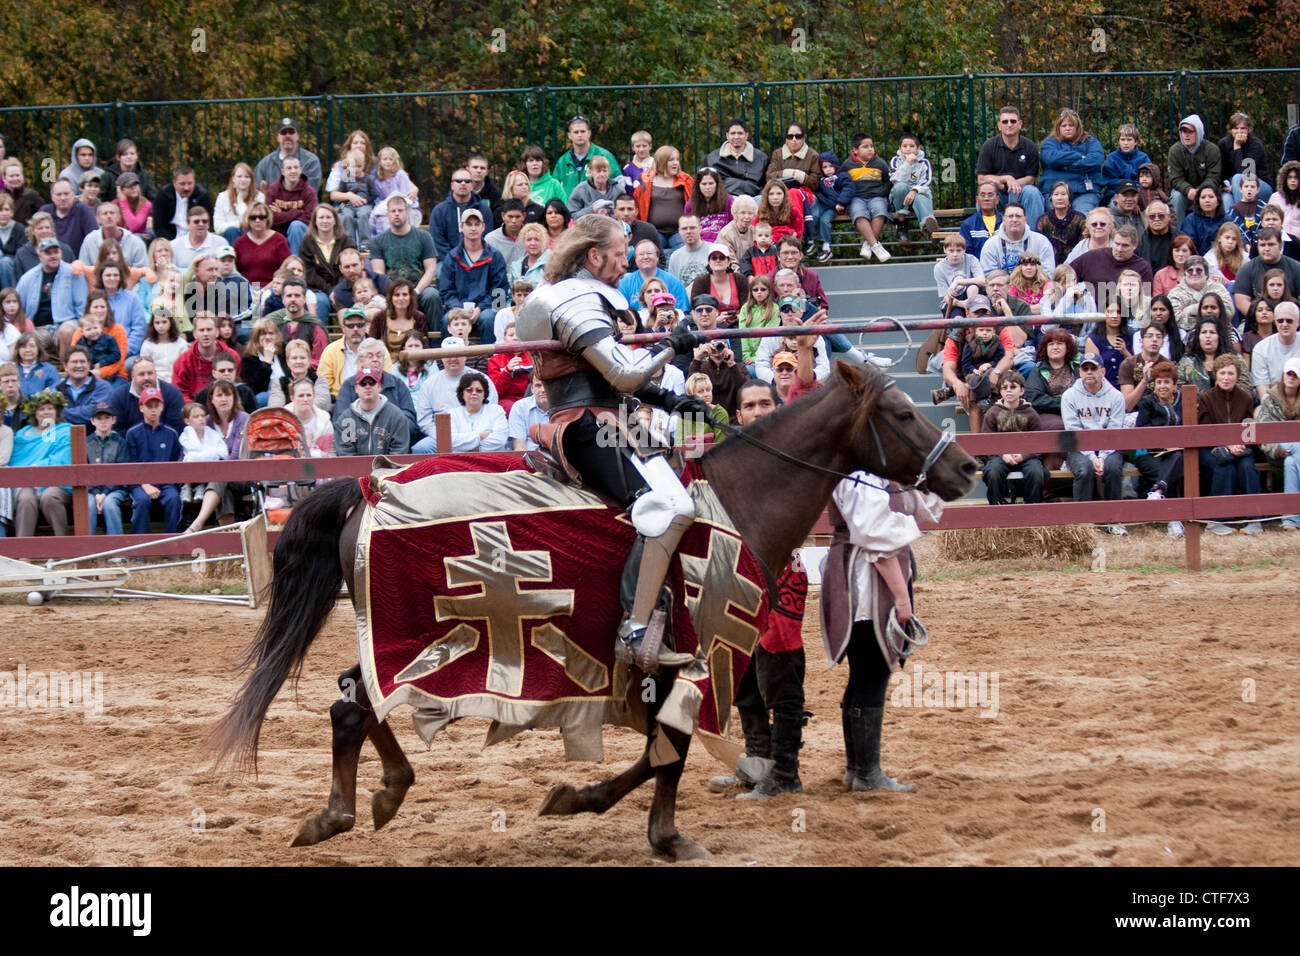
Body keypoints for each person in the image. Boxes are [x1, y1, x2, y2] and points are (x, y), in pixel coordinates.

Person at [515, 214, 710, 669]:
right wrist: (672, 345)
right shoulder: (576, 298)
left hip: (610, 414)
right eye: (620, 254)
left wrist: (670, 399)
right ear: (594, 256)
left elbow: (615, 377)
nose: (625, 264)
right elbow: (622, 372)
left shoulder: (585, 296)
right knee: (672, 507)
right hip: (587, 424)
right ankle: (635, 629)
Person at [1062, 353, 1128, 533]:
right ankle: (1083, 524)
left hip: (1109, 445)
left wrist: (1104, 456)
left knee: (1113, 469)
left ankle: (1113, 520)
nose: (1089, 372)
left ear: (1103, 371)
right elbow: (1073, 430)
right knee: (1084, 470)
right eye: (1085, 368)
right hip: (1079, 447)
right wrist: (1092, 457)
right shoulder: (1069, 396)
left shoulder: (1116, 396)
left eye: (1094, 368)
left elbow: (1115, 430)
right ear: (1080, 372)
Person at [1197, 354, 1262, 535]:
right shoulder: (1206, 397)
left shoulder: (1245, 398)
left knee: (1247, 467)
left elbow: (1249, 425)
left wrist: (1239, 443)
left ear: (1237, 376)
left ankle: (1255, 520)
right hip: (1210, 448)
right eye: (1222, 373)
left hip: (1240, 447)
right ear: (1216, 374)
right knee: (1224, 467)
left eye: (1231, 373)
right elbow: (1204, 429)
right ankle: (1217, 521)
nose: (1226, 378)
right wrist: (1226, 444)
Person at [436, 207, 507, 343]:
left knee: (488, 319)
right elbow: (445, 290)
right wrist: (459, 310)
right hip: (458, 308)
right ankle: (447, 360)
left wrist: (481, 308)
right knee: (447, 320)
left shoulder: (495, 256)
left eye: (477, 224)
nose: (473, 228)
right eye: (468, 224)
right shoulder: (452, 257)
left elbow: (500, 291)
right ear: (461, 227)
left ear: (483, 227)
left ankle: (489, 361)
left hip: (487, 308)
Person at [369, 195, 442, 327]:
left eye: (400, 210)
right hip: (392, 291)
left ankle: (435, 342)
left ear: (407, 212)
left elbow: (431, 269)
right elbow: (379, 274)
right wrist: (397, 294)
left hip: (419, 288)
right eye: (393, 211)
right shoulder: (377, 241)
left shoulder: (424, 237)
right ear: (387, 214)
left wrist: (416, 291)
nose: (397, 214)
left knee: (432, 296)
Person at [10, 389, 73, 536]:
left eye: (50, 408)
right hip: (27, 480)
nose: (46, 412)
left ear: (56, 411)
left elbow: (62, 458)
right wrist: (30, 473)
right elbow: (17, 459)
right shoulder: (23, 433)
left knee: (50, 497)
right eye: (41, 409)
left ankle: (63, 546)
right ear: (34, 413)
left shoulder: (64, 430)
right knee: (25, 499)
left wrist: (38, 466)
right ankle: (24, 551)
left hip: (57, 481)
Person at [1134, 360, 1186, 537]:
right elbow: (1141, 432)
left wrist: (1175, 445)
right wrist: (1164, 444)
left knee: (1178, 459)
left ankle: (1158, 491)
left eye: (1166, 382)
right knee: (1173, 472)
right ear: (1154, 385)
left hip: (1176, 453)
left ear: (1174, 384)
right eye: (1159, 382)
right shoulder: (1147, 403)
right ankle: (1175, 520)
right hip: (1148, 453)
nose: (1162, 386)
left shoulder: (1183, 401)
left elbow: (1189, 428)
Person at [981, 370, 1047, 505]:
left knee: (1036, 472)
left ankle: (1033, 507)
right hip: (1000, 456)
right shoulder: (992, 413)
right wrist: (1002, 454)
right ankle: (997, 506)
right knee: (993, 472)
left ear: (1022, 391)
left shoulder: (1031, 413)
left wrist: (1023, 455)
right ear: (1000, 392)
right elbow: (986, 442)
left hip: (1027, 457)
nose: (1008, 391)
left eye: (1013, 387)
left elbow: (1038, 443)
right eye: (1004, 388)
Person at [124, 386, 182, 533]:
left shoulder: (171, 434)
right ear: (141, 407)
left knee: (174, 499)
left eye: (157, 405)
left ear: (162, 406)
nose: (153, 410)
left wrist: (166, 481)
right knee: (142, 501)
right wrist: (145, 484)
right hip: (139, 483)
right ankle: (141, 548)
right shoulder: (133, 433)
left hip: (166, 482)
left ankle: (172, 544)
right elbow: (130, 464)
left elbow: (175, 462)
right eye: (149, 406)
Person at [976, 105, 1045, 226]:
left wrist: (1014, 185)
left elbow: (1031, 178)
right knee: (986, 194)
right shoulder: (989, 146)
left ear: (1020, 124)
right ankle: (990, 238)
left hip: (1022, 191)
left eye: (1013, 121)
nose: (1009, 124)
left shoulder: (1029, 146)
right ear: (999, 125)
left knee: (1033, 193)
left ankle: (1033, 239)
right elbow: (982, 178)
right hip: (999, 191)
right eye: (1005, 121)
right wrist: (1007, 179)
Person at [1255, 356, 1300, 530]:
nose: (1291, 377)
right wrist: (1277, 450)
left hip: (1293, 456)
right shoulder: (1270, 399)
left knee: (1291, 463)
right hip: (1275, 451)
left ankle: (1290, 520)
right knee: (1296, 448)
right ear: (1283, 375)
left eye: (1296, 375)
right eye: (1289, 373)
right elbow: (1262, 433)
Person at [764, 121, 820, 248]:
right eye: (790, 136)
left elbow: (815, 182)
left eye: (798, 136)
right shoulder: (778, 154)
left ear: (803, 138)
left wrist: (800, 176)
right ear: (786, 138)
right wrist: (786, 173)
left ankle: (796, 240)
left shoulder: (812, 155)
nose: (794, 140)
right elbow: (769, 176)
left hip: (805, 193)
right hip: (780, 192)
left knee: (793, 194)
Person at [1039, 108, 1105, 214]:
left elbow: (1096, 159)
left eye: (1071, 125)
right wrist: (1080, 157)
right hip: (1055, 192)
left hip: (1085, 192)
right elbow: (1050, 158)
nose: (1068, 128)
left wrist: (1065, 165)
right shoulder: (1050, 142)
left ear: (1077, 127)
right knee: (1055, 218)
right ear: (1058, 127)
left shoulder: (1090, 141)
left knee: (1083, 215)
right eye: (1064, 126)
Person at [179, 399, 231, 530]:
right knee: (189, 460)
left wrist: (205, 454)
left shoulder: (211, 433)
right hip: (191, 470)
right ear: (187, 421)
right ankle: (188, 487)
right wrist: (209, 453)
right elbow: (190, 453)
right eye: (196, 417)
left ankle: (202, 487)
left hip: (209, 471)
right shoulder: (186, 434)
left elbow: (223, 451)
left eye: (202, 415)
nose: (201, 419)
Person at [334, 365, 410, 455]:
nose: (367, 386)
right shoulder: (346, 419)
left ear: (379, 386)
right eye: (363, 383)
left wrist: (383, 468)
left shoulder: (396, 416)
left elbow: (399, 451)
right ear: (356, 389)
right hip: (355, 468)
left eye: (372, 382)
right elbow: (346, 454)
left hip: (388, 468)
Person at [842, 133, 891, 262]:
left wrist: (881, 192)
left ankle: (868, 244)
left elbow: (888, 181)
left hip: (876, 197)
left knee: (880, 211)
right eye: (865, 147)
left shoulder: (880, 163)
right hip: (856, 198)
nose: (870, 149)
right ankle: (875, 245)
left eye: (871, 146)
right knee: (859, 213)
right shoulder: (847, 165)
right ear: (855, 150)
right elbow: (842, 183)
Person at [1167, 115, 1222, 226]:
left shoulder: (1212, 150)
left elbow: (1214, 176)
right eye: (1183, 131)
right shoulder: (1175, 151)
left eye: (1190, 132)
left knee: (1219, 198)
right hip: (1184, 192)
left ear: (1199, 132)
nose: (1186, 135)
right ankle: (1178, 234)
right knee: (1176, 196)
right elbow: (1175, 178)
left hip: (1207, 190)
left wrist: (1201, 190)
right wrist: (1188, 190)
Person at [172, 312, 240, 401]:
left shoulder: (233, 357)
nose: (205, 334)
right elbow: (180, 394)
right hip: (195, 408)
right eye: (201, 330)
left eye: (209, 329)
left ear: (217, 332)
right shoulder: (183, 361)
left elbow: (239, 386)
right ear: (194, 334)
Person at [1233, 227, 1300, 317]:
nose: (1267, 249)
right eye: (1262, 245)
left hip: (1289, 320)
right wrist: (1260, 317)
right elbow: (1241, 301)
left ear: (1280, 245)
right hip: (1257, 321)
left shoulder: (1296, 267)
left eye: (1271, 244)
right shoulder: (1246, 269)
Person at [430, 168, 494, 261]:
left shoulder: (484, 210)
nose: (463, 183)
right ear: (452, 185)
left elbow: (487, 237)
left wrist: (473, 259)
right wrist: (454, 260)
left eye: (467, 181)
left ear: (472, 185)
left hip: (478, 260)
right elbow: (437, 242)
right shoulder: (439, 211)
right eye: (459, 181)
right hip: (447, 261)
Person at [85, 401, 129, 535]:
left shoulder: (120, 442)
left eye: (107, 418)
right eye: (99, 418)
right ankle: (86, 550)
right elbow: (84, 472)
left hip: (115, 489)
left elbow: (122, 472)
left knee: (110, 504)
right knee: (89, 505)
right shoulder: (86, 442)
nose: (103, 422)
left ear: (113, 420)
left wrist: (104, 493)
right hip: (91, 490)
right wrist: (96, 492)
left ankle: (116, 551)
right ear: (92, 421)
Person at [552, 116, 621, 198]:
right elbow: (554, 190)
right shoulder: (562, 161)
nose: (580, 135)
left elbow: (618, 186)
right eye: (576, 132)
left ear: (589, 133)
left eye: (582, 131)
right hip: (569, 209)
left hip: (597, 209)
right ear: (569, 135)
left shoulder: (604, 156)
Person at [979, 202, 1056, 274]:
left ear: (1025, 220)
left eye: (1018, 216)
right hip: (1002, 287)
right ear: (1003, 220)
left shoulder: (1041, 242)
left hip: (1035, 286)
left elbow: (1048, 273)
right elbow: (989, 276)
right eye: (1010, 216)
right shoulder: (991, 245)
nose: (1014, 220)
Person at [888, 132, 939, 242]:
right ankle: (901, 223)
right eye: (905, 146)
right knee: (900, 187)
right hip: (901, 200)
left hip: (918, 196)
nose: (908, 149)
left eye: (912, 146)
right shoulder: (895, 161)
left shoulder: (924, 163)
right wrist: (907, 163)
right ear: (900, 148)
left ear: (918, 148)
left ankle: (930, 228)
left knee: (921, 196)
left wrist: (914, 190)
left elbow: (926, 182)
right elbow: (895, 179)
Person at [253, 118, 323, 194]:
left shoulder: (311, 161)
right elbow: (257, 191)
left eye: (291, 132)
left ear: (298, 136)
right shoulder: (264, 164)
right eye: (283, 132)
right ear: (277, 137)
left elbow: (310, 192)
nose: (287, 136)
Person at [1219, 113, 1273, 205]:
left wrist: (1237, 147)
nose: (1239, 131)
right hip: (1232, 186)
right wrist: (1225, 186)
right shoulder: (1223, 144)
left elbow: (1246, 173)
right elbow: (1221, 171)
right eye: (1236, 128)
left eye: (1243, 128)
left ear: (1249, 129)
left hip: (1258, 184)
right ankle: (1236, 219)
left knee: (1238, 178)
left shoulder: (1255, 144)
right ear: (1230, 130)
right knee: (1226, 200)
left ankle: (1245, 215)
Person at [447, 370, 508, 452]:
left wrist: (475, 448)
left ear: (484, 394)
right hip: (460, 460)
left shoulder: (496, 410)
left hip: (491, 459)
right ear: (462, 394)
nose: (474, 393)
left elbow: (500, 440)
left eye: (479, 390)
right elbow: (451, 441)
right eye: (469, 390)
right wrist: (480, 436)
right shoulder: (452, 414)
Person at [1250, 301, 1300, 401]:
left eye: (1289, 321)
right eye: (1280, 321)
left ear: (1298, 322)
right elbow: (1262, 388)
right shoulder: (1261, 349)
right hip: (1274, 401)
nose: (1284, 324)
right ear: (1275, 322)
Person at [150, 166, 213, 243]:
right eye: (182, 184)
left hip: (195, 237)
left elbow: (207, 222)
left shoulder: (202, 195)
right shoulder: (164, 195)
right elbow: (158, 224)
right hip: (170, 237)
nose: (186, 188)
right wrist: (168, 242)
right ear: (174, 183)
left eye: (190, 183)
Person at [707, 119, 768, 198]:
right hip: (725, 199)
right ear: (727, 136)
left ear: (746, 135)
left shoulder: (761, 158)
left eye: (740, 133)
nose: (736, 137)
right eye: (733, 133)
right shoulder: (713, 158)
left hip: (754, 198)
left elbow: (767, 183)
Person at [331, 150, 376, 249]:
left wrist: (367, 200)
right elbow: (342, 192)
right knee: (346, 216)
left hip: (363, 205)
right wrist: (347, 198)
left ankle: (365, 243)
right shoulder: (346, 177)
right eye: (353, 166)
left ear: (364, 165)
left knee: (363, 215)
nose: (356, 169)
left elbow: (374, 195)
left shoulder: (367, 179)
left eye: (359, 166)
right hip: (349, 205)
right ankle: (349, 243)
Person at [1037, 181, 1087, 265]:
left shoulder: (1079, 219)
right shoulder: (1043, 220)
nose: (1059, 198)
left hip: (1075, 262)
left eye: (1063, 194)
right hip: (1049, 262)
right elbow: (1040, 244)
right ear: (1051, 198)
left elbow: (1084, 243)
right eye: (1056, 194)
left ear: (1069, 198)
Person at [213, 162, 263, 245]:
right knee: (231, 230)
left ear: (251, 180)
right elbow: (218, 227)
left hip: (253, 237)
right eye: (239, 176)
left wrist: (240, 202)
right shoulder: (223, 197)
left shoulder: (259, 197)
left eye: (247, 177)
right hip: (229, 239)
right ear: (233, 179)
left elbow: (255, 225)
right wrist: (240, 223)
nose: (243, 179)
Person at [1102, 124, 1152, 203]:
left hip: (1139, 193)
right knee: (1114, 204)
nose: (1125, 143)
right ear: (1118, 141)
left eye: (1129, 140)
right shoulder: (1112, 158)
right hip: (1116, 193)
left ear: (1136, 141)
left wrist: (1132, 186)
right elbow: (1108, 179)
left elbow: (1149, 179)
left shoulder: (1143, 158)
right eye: (1122, 139)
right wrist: (1125, 185)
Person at [1181, 187, 1232, 256]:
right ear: (1198, 201)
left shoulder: (1226, 220)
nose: (1207, 200)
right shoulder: (1190, 220)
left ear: (1218, 201)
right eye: (1203, 197)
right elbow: (1189, 246)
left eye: (1211, 197)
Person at [508, 369, 551, 451]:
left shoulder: (564, 408)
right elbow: (519, 448)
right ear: (532, 389)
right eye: (538, 386)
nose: (543, 390)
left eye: (547, 385)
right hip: (529, 459)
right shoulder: (520, 407)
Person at [1136, 199, 1182, 271]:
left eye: (1161, 216)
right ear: (1147, 219)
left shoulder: (1181, 238)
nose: (1156, 219)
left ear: (1169, 217)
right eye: (1152, 216)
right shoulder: (1140, 241)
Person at [960, 182, 1003, 260]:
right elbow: (966, 254)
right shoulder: (968, 225)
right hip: (978, 269)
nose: (986, 198)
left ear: (997, 199)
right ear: (977, 200)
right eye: (983, 195)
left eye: (990, 195)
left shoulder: (1006, 222)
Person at [486, 199, 528, 265]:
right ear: (503, 216)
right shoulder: (491, 239)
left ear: (524, 216)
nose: (514, 221)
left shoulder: (531, 237)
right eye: (510, 217)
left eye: (517, 217)